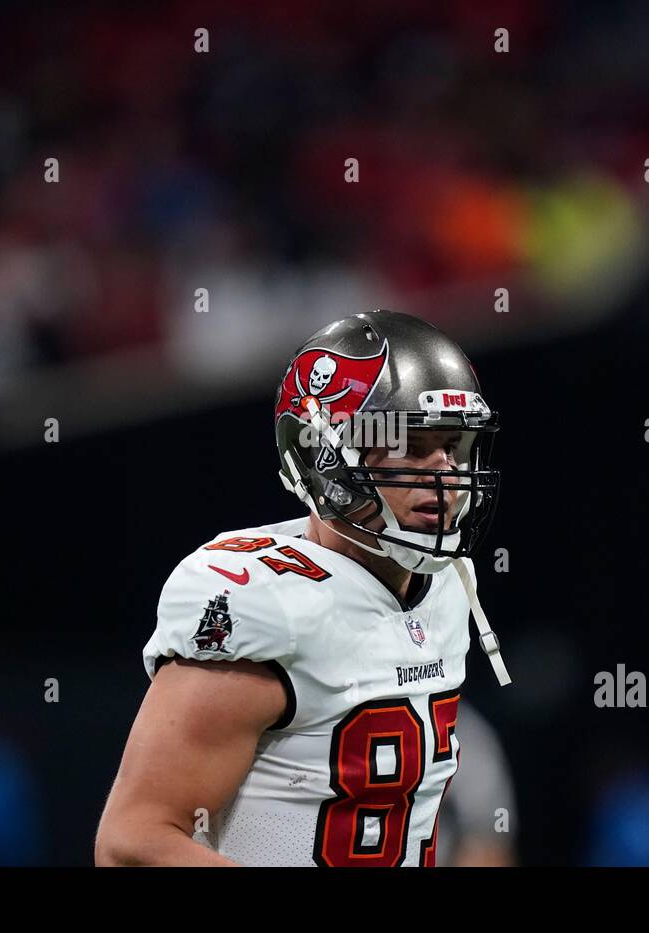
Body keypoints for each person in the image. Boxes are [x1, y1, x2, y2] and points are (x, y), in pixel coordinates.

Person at [95, 310, 510, 866]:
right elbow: (133, 843)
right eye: (412, 446)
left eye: (454, 447)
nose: (446, 475)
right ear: (325, 457)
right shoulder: (262, 601)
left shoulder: (448, 585)